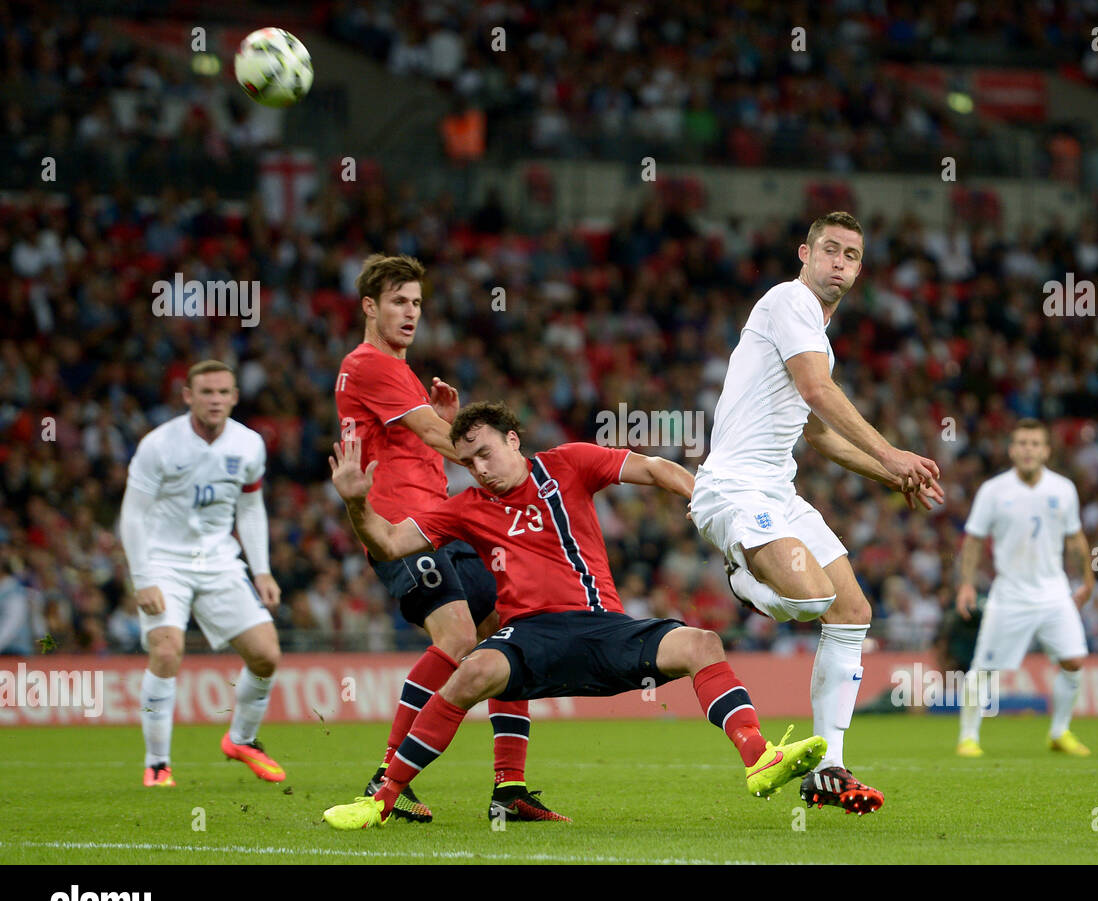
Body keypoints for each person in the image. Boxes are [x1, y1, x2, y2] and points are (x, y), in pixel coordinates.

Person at [321, 402, 826, 829]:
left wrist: (709, 504)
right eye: (469, 462)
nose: (479, 468)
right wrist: (355, 505)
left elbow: (652, 468)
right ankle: (383, 799)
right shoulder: (466, 506)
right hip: (531, 636)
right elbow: (388, 542)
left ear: (513, 441)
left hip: (602, 626)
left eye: (485, 453)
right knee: (472, 668)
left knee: (703, 644)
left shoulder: (568, 463)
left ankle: (758, 757)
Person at [690, 211, 942, 815]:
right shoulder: (788, 301)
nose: (839, 263)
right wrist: (891, 451)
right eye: (830, 250)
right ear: (804, 253)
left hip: (779, 492)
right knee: (808, 600)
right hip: (734, 490)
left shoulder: (816, 334)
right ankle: (740, 575)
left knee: (852, 609)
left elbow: (820, 436)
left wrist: (891, 475)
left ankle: (827, 767)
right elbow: (818, 394)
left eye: (852, 256)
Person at [335, 253, 564, 823]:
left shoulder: (396, 372)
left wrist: (444, 423)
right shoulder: (370, 363)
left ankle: (509, 788)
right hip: (402, 528)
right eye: (397, 302)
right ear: (370, 306)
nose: (410, 313)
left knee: (509, 634)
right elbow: (437, 438)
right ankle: (387, 776)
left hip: (443, 521)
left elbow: (422, 436)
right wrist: (512, 465)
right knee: (460, 635)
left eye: (416, 303)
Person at [118, 360, 285, 787]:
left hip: (219, 561)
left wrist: (262, 570)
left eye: (223, 392)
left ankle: (242, 740)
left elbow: (249, 507)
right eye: (206, 392)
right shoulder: (159, 445)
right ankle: (158, 763)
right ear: (188, 396)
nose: (215, 400)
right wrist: (142, 578)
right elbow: (132, 516)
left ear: (234, 396)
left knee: (266, 655)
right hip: (163, 561)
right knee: (167, 650)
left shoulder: (248, 444)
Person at [955, 419, 1095, 757]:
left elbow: (1075, 537)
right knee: (984, 668)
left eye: (1035, 443)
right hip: (1009, 595)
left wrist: (1088, 579)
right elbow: (973, 540)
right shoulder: (993, 490)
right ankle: (968, 738)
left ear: (1046, 451)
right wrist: (966, 585)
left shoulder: (1063, 489)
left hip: (1053, 593)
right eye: (1022, 443)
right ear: (1012, 450)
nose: (1028, 449)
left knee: (1074, 661)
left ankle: (1059, 732)